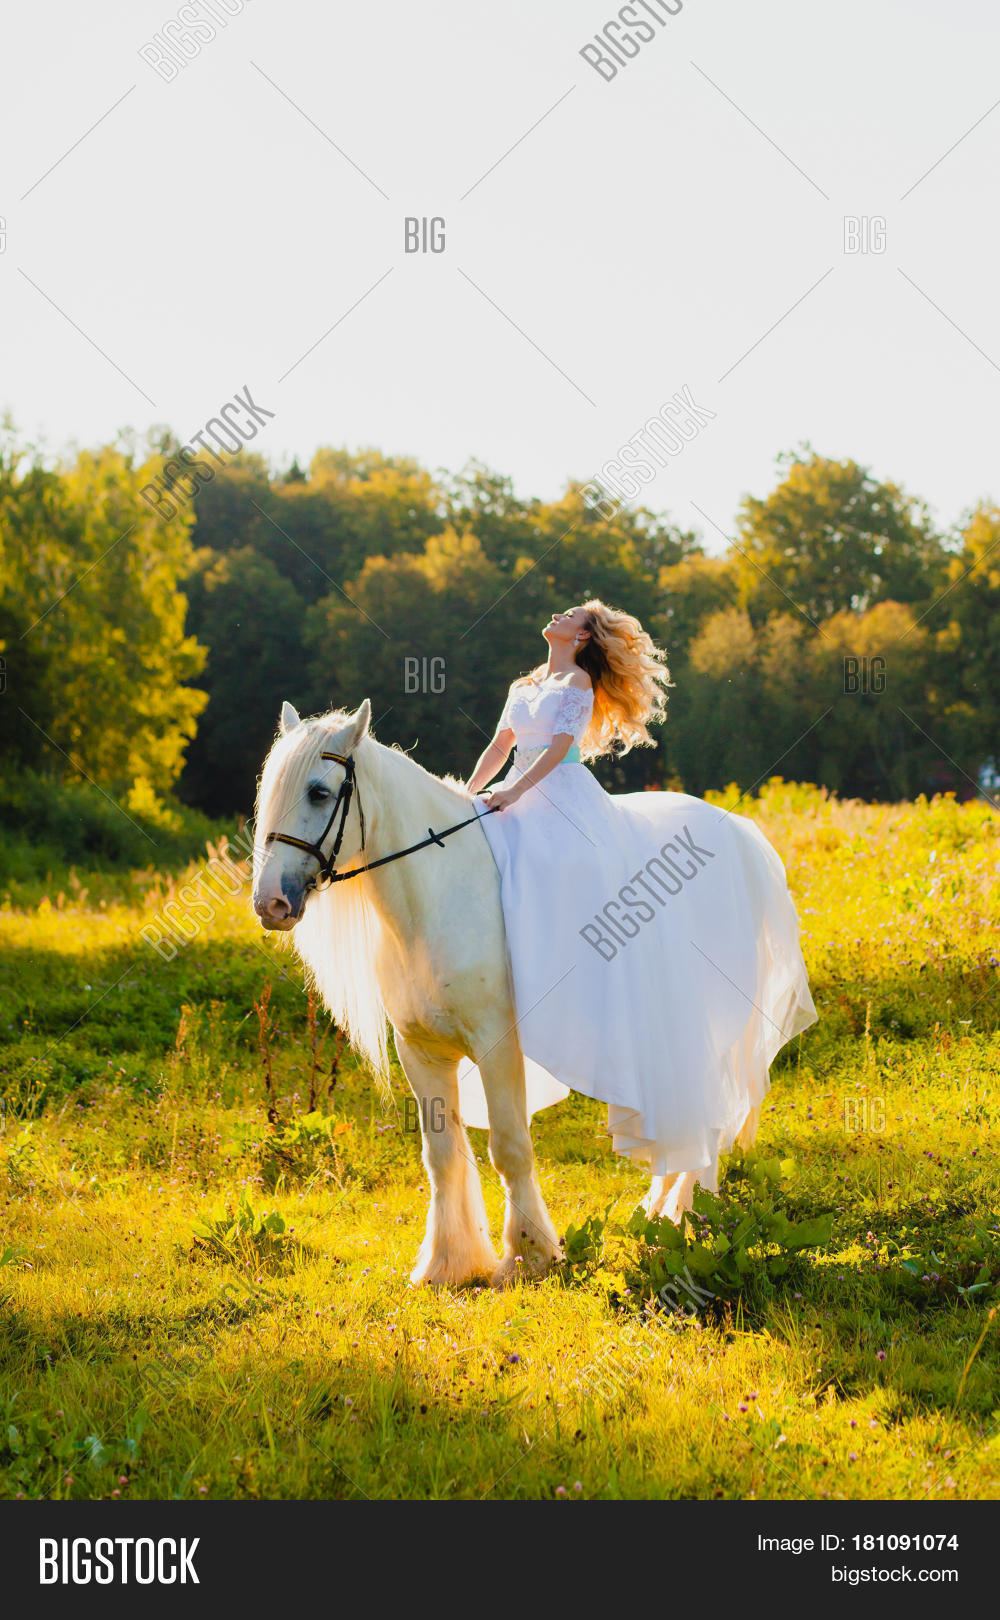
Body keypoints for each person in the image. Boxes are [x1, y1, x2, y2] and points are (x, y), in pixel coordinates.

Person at [458, 599, 817, 1185]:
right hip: (514, 793)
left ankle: (573, 965)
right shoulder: (524, 685)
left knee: (565, 865)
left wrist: (513, 793)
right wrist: (469, 792)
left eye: (571, 615)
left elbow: (557, 750)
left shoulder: (575, 683)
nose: (557, 616)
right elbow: (501, 744)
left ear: (581, 638)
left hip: (559, 795)